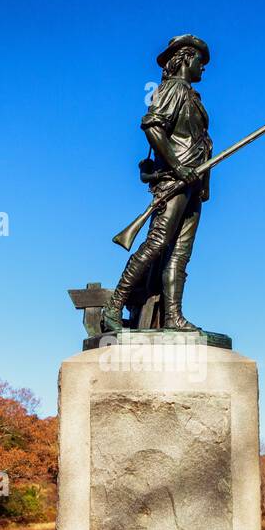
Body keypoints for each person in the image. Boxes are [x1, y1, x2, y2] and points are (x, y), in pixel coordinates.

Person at [101, 34, 213, 333]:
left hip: (192, 181)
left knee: (180, 252)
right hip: (174, 180)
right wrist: (177, 167)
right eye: (200, 62)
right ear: (187, 59)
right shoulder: (174, 88)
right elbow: (152, 126)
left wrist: (200, 183)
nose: (203, 68)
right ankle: (115, 303)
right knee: (157, 243)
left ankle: (173, 317)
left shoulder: (190, 95)